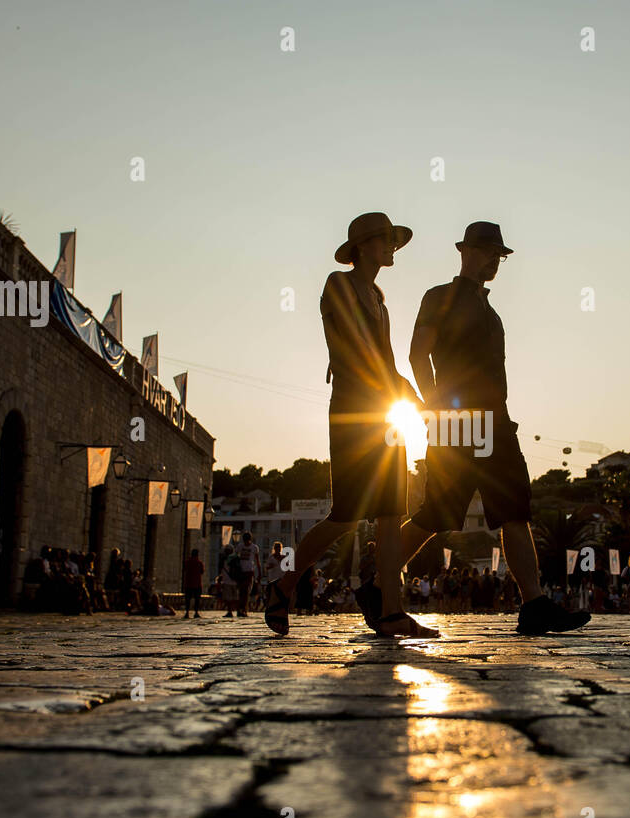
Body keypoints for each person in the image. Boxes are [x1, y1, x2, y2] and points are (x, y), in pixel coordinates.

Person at [400, 221, 589, 636]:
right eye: (489, 252)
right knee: (439, 514)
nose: (495, 261)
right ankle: (376, 578)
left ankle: (535, 605)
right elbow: (418, 355)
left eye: (499, 255)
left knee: (515, 512)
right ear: (465, 251)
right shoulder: (439, 297)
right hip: (458, 421)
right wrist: (435, 409)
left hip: (497, 423)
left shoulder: (491, 311)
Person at [265, 212, 430, 638]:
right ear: (362, 246)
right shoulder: (338, 284)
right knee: (346, 516)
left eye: (393, 240)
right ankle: (284, 585)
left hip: (383, 411)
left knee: (393, 509)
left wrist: (405, 393)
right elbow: (357, 347)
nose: (392, 247)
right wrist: (397, 385)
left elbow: (386, 358)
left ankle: (391, 610)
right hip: (353, 409)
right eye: (385, 240)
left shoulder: (379, 296)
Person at [236, 532, 260, 618]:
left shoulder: (254, 547)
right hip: (241, 571)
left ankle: (243, 609)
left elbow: (257, 561)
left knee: (246, 592)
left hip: (249, 571)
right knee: (241, 591)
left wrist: (259, 573)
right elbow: (236, 557)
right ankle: (240, 609)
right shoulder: (240, 546)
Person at [182, 547, 205, 619]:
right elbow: (202, 572)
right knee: (197, 599)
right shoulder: (199, 563)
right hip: (197, 584)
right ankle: (196, 612)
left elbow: (184, 569)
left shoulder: (187, 562)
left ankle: (187, 612)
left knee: (188, 599)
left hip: (188, 583)